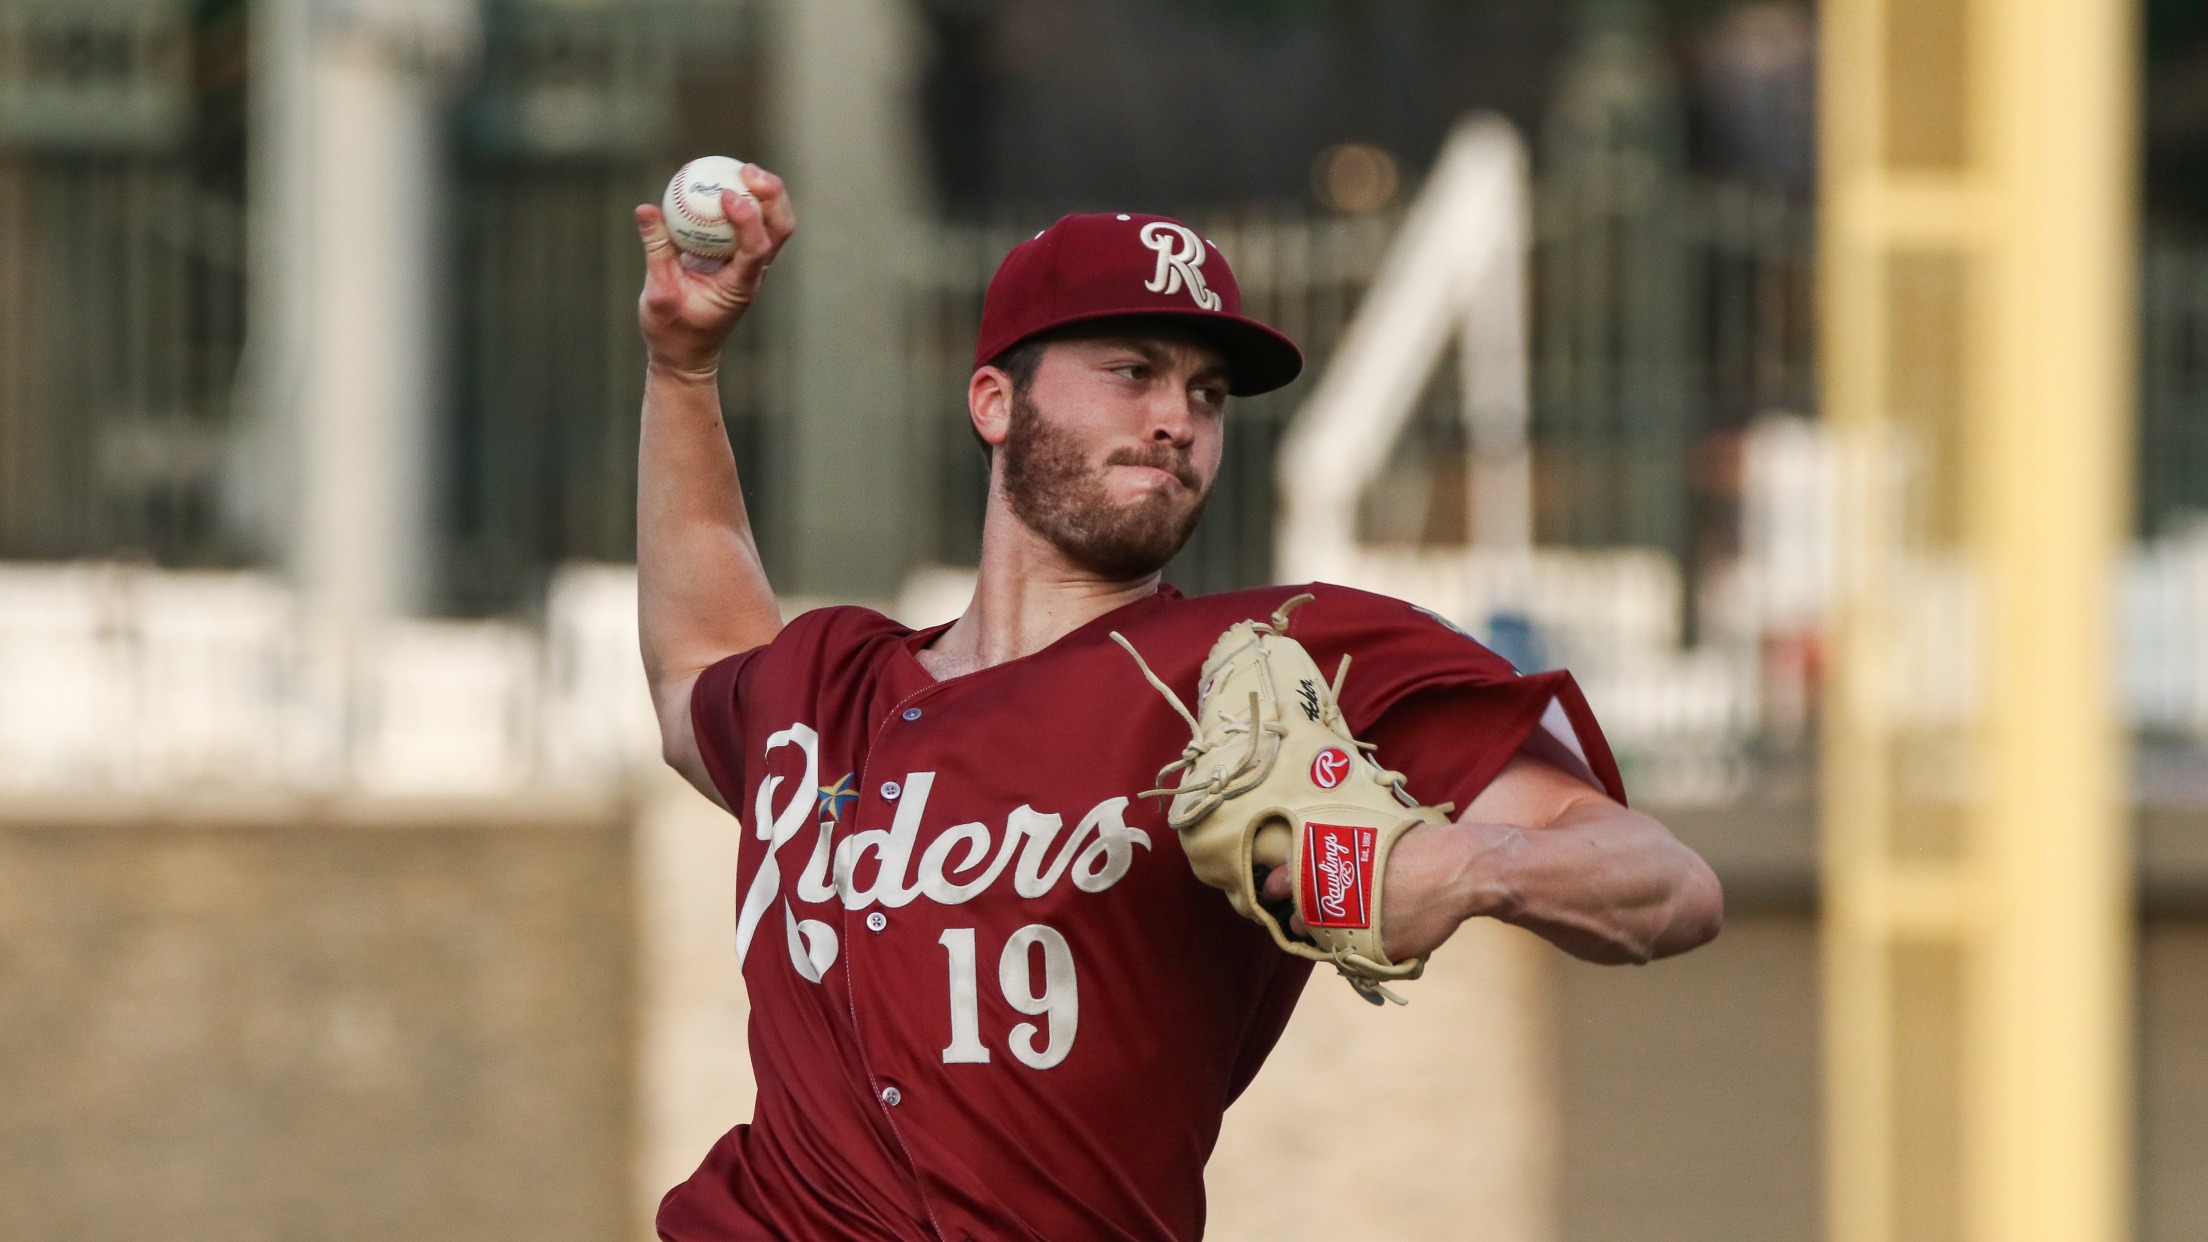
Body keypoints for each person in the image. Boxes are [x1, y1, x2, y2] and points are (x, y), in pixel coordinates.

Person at [632, 163, 1723, 1242]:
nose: (1177, 420)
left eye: (1207, 394)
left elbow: (1670, 885)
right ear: (995, 402)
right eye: (1132, 372)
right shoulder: (830, 684)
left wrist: (1477, 868)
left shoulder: (1271, 662)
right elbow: (696, 664)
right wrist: (683, 370)